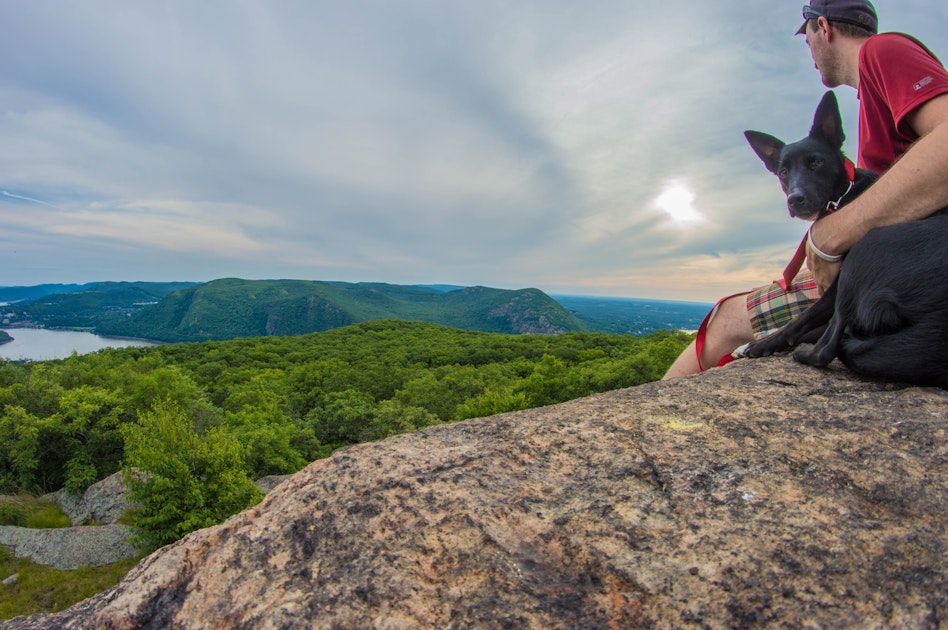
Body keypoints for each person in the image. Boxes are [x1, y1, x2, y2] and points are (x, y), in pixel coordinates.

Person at [662, 0, 948, 380]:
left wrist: (831, 234)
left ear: (823, 28)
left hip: (916, 269)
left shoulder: (884, 50)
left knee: (726, 319)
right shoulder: (872, 96)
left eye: (807, 37)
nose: (811, 51)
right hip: (907, 266)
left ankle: (648, 423)